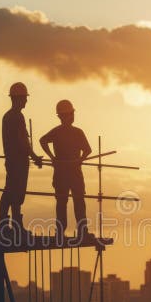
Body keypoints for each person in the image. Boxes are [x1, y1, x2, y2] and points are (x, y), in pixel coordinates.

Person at [39, 99, 93, 241]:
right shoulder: (66, 132)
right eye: (70, 114)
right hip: (68, 173)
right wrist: (53, 157)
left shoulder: (71, 132)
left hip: (67, 172)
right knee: (69, 202)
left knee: (73, 202)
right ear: (65, 116)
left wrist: (79, 159)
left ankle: (74, 231)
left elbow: (87, 150)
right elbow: (42, 140)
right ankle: (74, 232)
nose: (72, 116)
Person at [0, 82, 43, 236]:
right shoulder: (17, 116)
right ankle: (13, 226)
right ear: (18, 98)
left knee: (11, 192)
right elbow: (22, 141)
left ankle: (7, 225)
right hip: (18, 161)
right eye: (24, 98)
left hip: (12, 160)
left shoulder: (8, 116)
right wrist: (35, 157)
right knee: (15, 193)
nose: (26, 101)